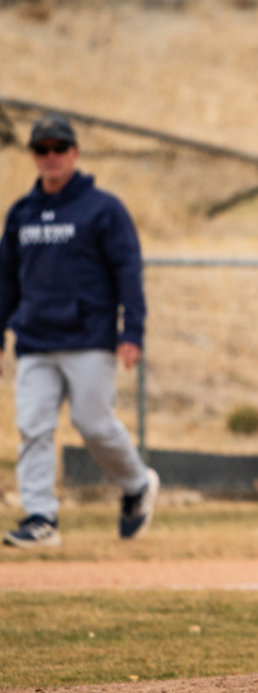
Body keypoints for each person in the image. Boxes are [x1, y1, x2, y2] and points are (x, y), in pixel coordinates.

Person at [0, 113, 158, 548]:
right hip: (34, 339)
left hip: (88, 337)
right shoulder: (21, 214)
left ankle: (137, 483)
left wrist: (133, 331)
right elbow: (6, 280)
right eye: (42, 149)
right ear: (33, 155)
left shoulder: (102, 209)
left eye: (59, 148)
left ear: (75, 153)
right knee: (33, 426)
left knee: (93, 424)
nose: (51, 157)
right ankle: (40, 518)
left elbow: (128, 270)